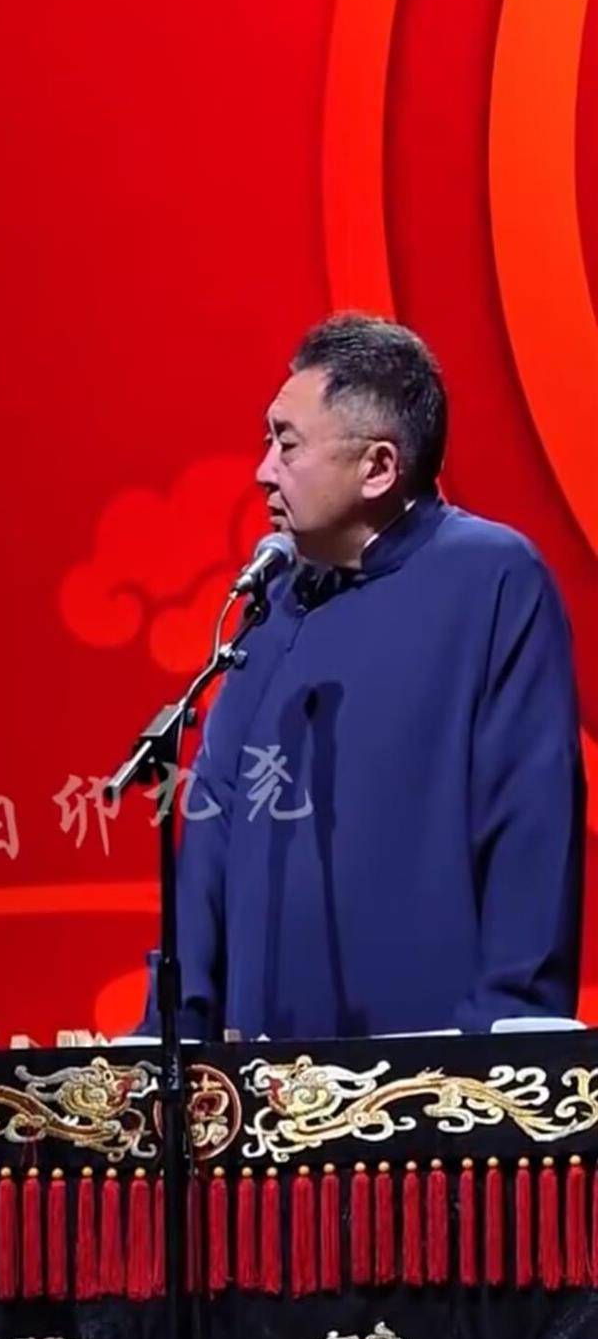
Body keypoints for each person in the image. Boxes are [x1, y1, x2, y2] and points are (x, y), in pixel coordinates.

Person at [171, 313, 584, 1041]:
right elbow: (215, 820)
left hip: (436, 1076)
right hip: (256, 1079)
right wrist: (177, 1020)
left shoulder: (491, 579)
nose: (263, 470)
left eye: (286, 444)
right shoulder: (274, 598)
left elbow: (530, 818)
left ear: (378, 468)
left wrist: (507, 1033)